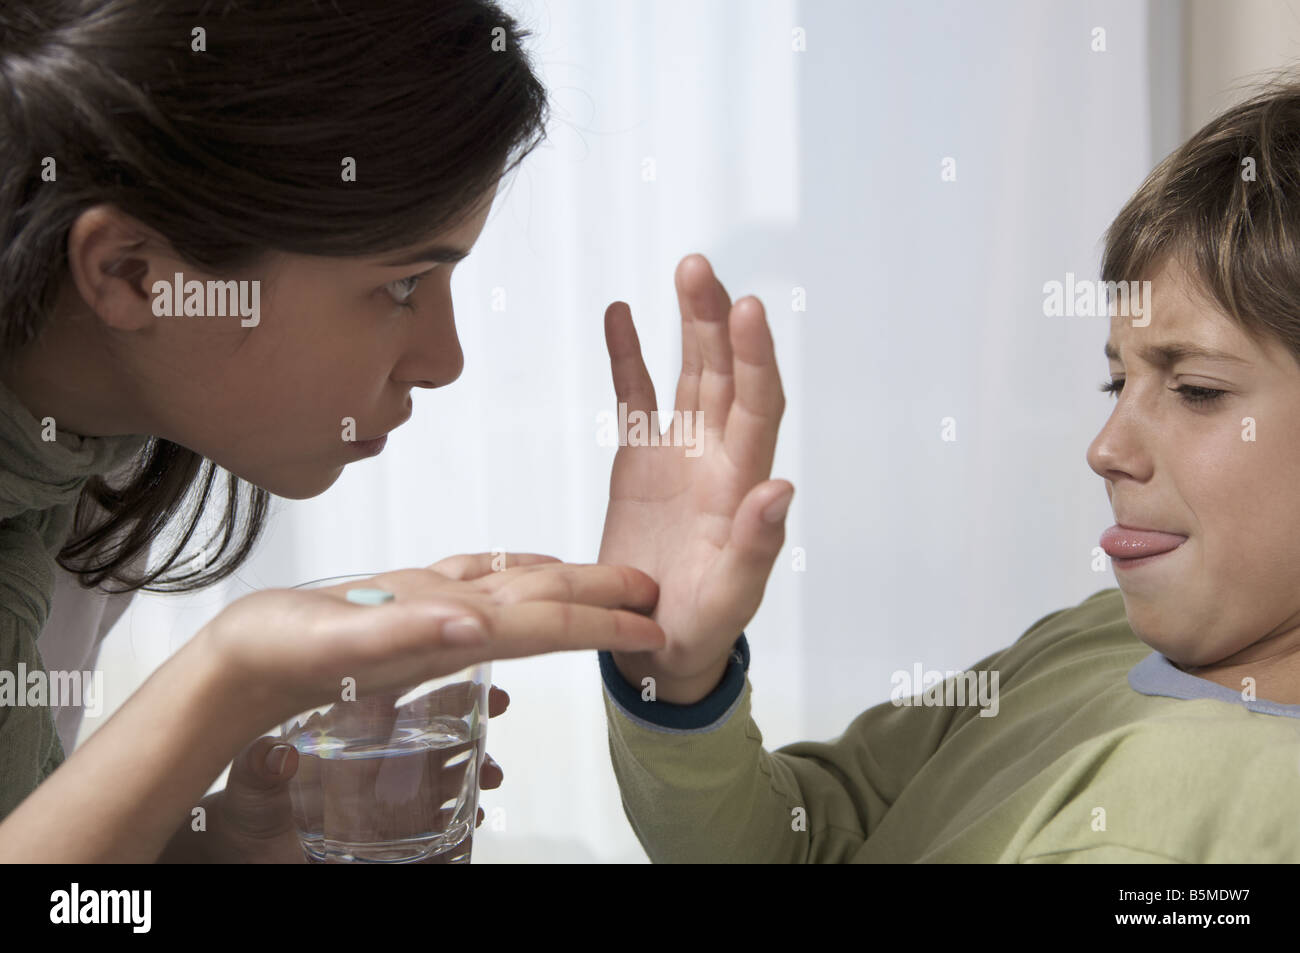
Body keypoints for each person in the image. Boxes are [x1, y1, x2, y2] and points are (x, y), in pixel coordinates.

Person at [0, 0, 794, 862]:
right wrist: (225, 686)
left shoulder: (76, 490)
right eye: (406, 284)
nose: (443, 361)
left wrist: (219, 848)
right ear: (133, 274)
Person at [598, 78, 1300, 863]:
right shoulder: (1089, 640)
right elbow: (804, 840)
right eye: (1117, 381)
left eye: (1197, 390)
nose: (1106, 448)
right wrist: (674, 680)